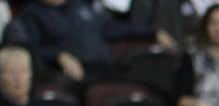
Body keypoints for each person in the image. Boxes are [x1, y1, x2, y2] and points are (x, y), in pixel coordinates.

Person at [15, 0, 174, 86]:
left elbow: (111, 28)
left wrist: (153, 33)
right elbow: (31, 49)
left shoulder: (80, 5)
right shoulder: (32, 13)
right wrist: (58, 55)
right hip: (76, 75)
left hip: (108, 69)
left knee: (154, 86)